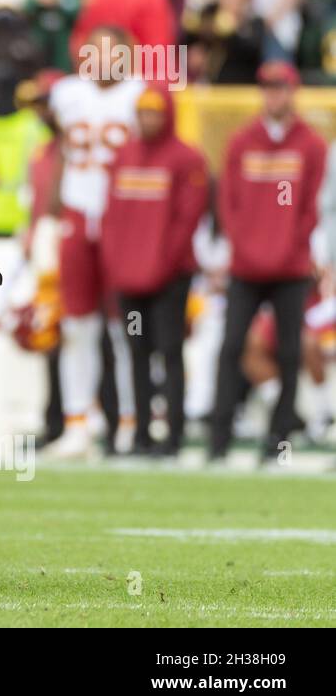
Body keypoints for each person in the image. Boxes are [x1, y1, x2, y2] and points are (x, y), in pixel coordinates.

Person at [210, 60, 327, 461]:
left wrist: (293, 247)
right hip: (246, 265)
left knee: (291, 352)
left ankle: (279, 442)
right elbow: (229, 203)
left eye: (280, 88)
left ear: (293, 92)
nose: (274, 95)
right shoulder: (242, 142)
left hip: (291, 268)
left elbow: (311, 206)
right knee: (230, 348)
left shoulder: (311, 145)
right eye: (268, 88)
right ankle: (218, 440)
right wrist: (241, 246)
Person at [45, 26, 146, 458]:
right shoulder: (67, 93)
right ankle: (78, 422)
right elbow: (59, 152)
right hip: (76, 211)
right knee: (76, 325)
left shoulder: (142, 95)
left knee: (126, 327)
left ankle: (130, 420)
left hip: (125, 219)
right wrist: (46, 217)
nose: (103, 62)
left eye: (113, 53)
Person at [100, 85, 209, 455]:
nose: (148, 120)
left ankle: (173, 435)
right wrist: (118, 266)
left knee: (169, 351)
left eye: (155, 113)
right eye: (143, 112)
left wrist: (158, 267)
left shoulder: (186, 159)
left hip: (170, 278)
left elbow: (187, 221)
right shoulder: (124, 156)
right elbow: (111, 217)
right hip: (130, 278)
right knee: (137, 354)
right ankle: (142, 433)